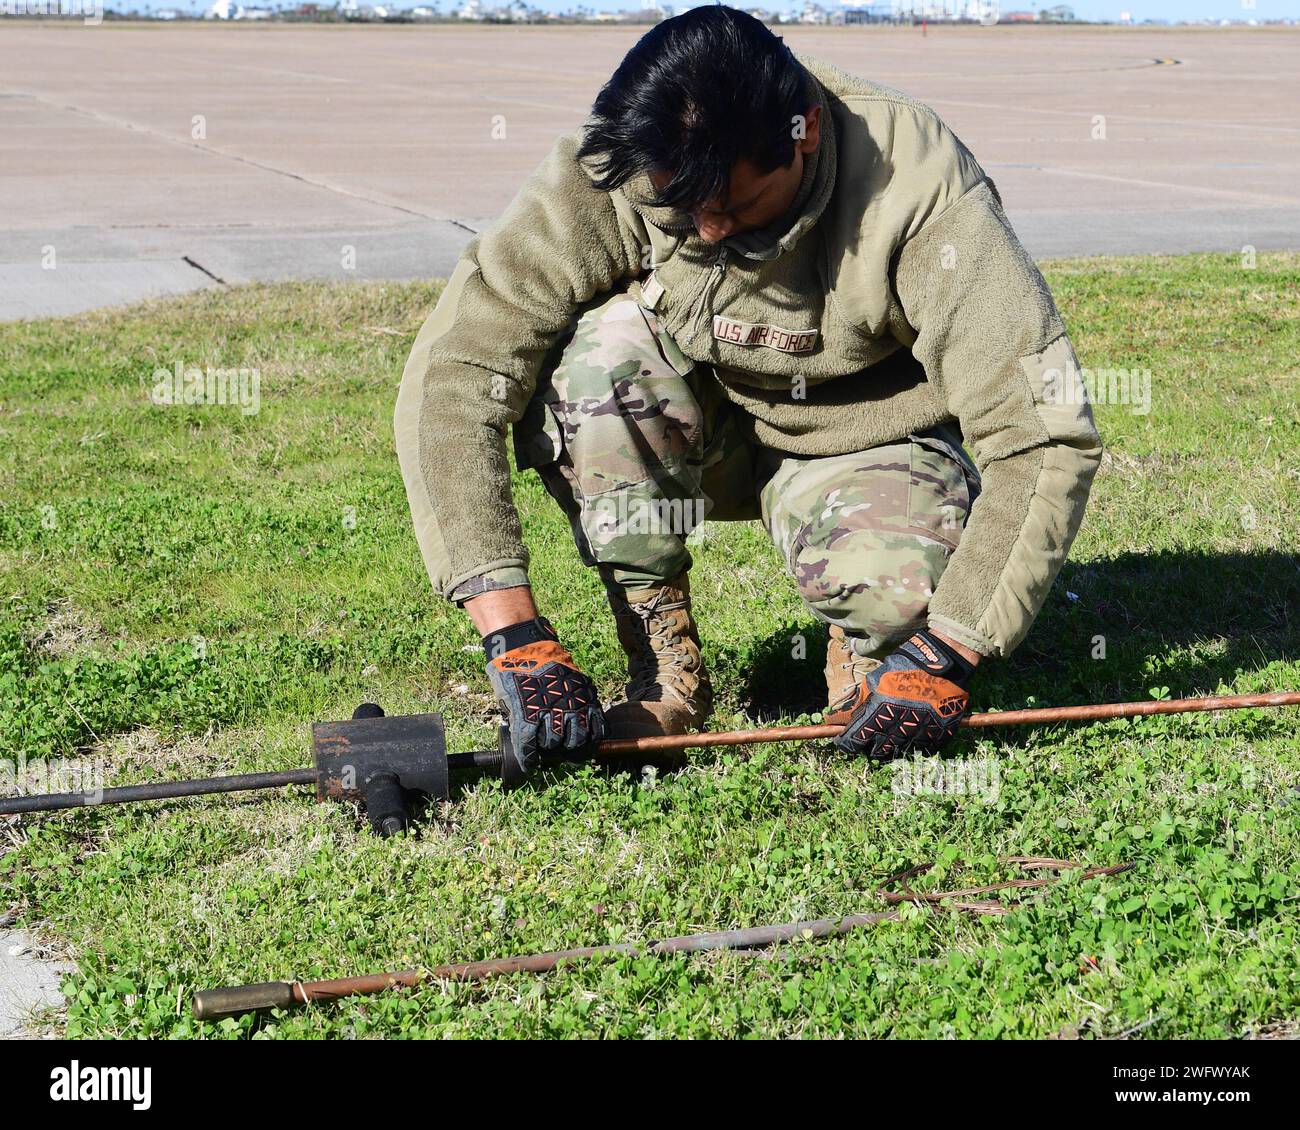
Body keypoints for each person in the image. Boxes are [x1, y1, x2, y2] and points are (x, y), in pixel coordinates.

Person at [394, 6, 1101, 777]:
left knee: (898, 598)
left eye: (729, 205)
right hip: (695, 431)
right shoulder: (623, 166)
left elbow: (1043, 431)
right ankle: (663, 666)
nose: (704, 228)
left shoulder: (920, 187)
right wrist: (513, 634)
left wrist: (951, 644)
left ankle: (866, 641)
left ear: (805, 137)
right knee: (603, 353)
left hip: (862, 447)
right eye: (678, 206)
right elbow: (456, 372)